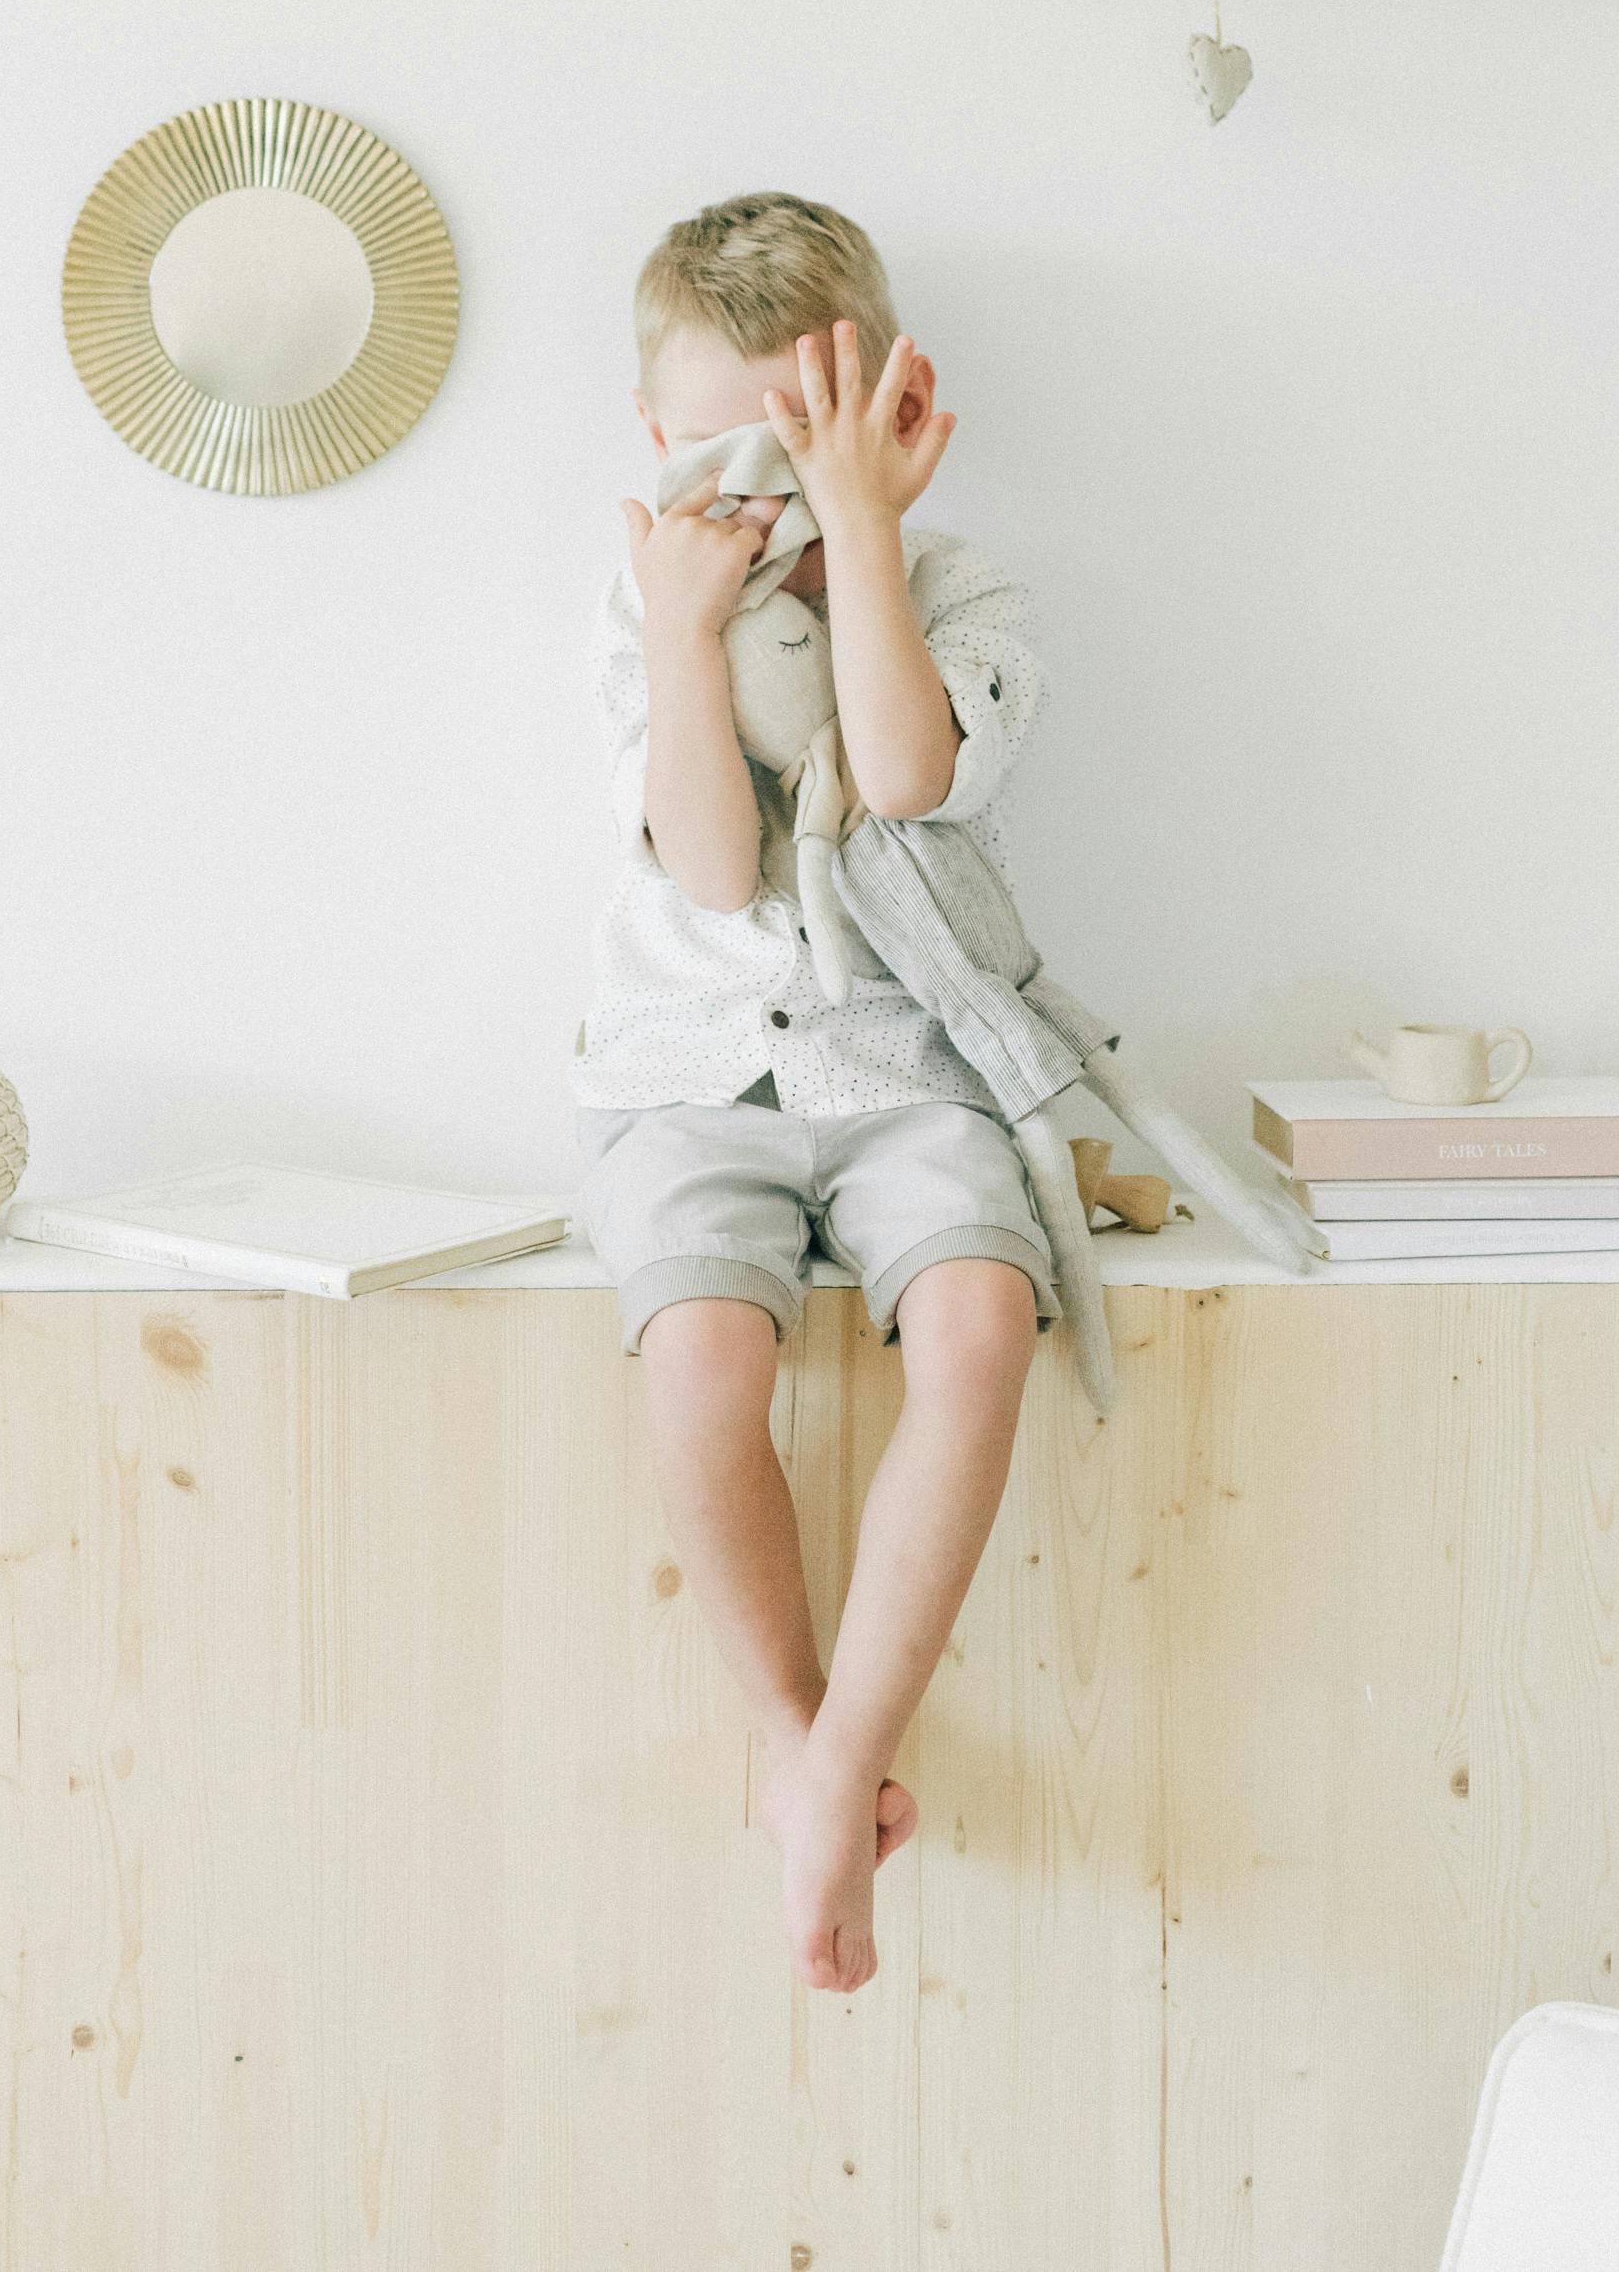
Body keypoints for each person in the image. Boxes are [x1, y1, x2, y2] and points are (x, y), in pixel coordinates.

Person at [571, 189, 1063, 1996]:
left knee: (982, 1322)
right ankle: (795, 1742)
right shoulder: (643, 606)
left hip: (906, 1063)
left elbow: (915, 776)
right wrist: (689, 633)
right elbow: (711, 871)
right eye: (722, 445)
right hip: (685, 1068)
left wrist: (857, 527)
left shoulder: (964, 588)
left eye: (793, 435)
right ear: (655, 438)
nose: (757, 485)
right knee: (704, 1353)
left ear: (875, 403)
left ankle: (848, 1747)